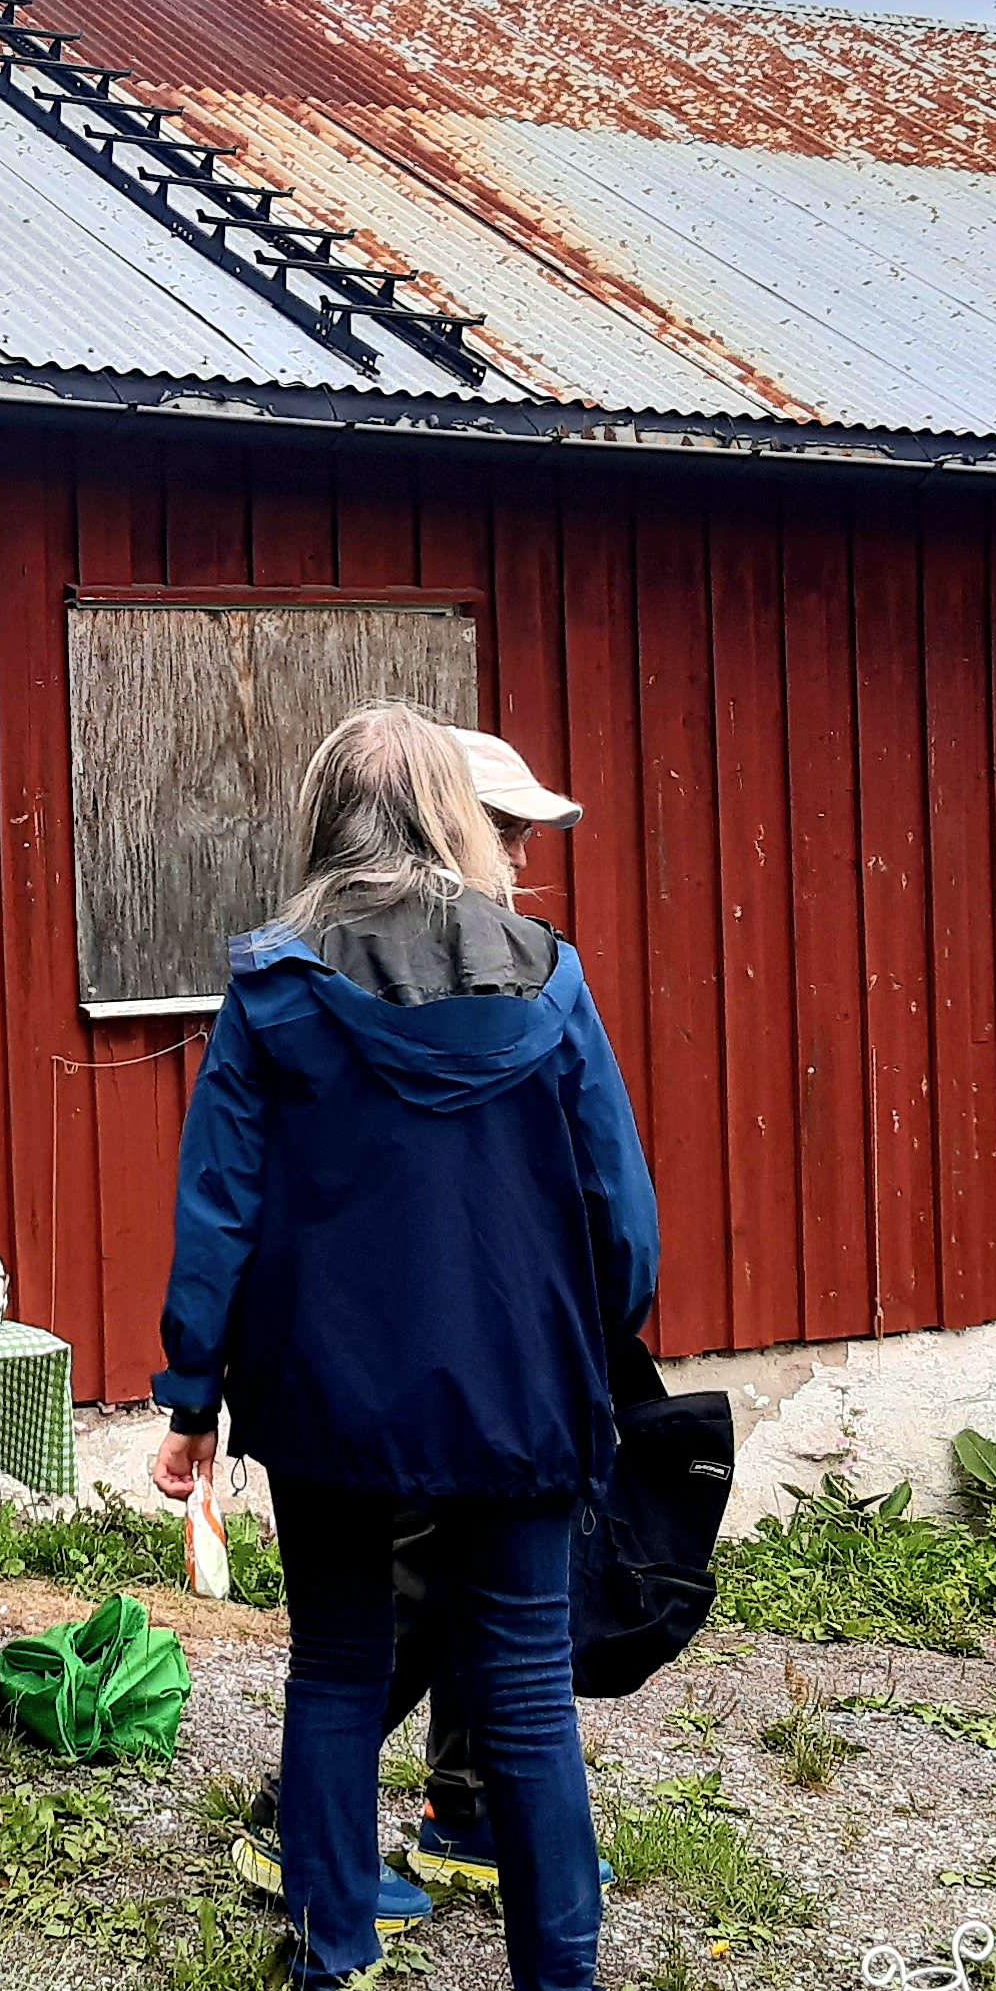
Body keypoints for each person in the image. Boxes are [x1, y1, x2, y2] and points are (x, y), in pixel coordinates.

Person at [147, 702, 657, 1991]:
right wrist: (607, 1355)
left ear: (324, 819)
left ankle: (331, 1972)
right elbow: (624, 1212)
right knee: (528, 1695)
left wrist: (192, 1397)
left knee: (334, 1670)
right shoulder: (551, 980)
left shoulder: (269, 986)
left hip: (326, 1400)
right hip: (520, 1395)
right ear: (452, 815)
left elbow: (221, 1214)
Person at [370, 724, 593, 1905]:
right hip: (427, 1340)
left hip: (496, 1327)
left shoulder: (528, 962)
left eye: (521, 830)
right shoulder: (374, 973)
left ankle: (464, 1804)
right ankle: (298, 1817)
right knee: (420, 1582)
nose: (516, 850)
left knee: (478, 1572)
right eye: (501, 827)